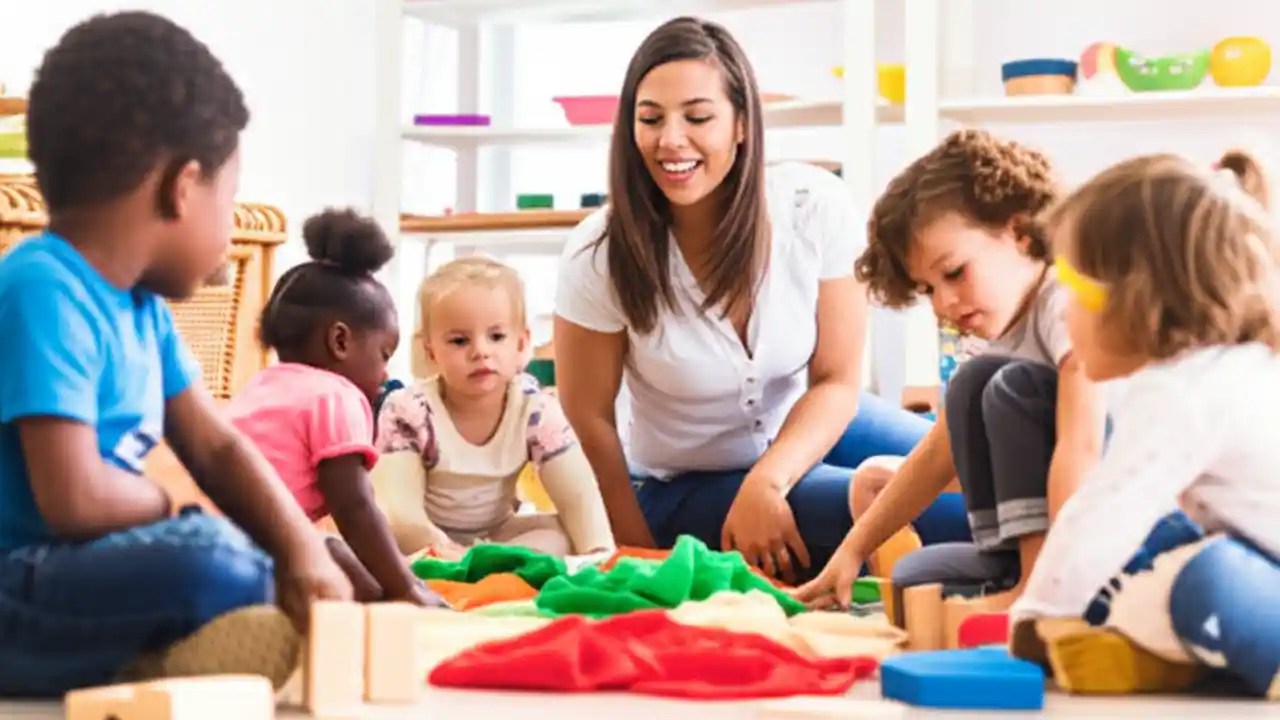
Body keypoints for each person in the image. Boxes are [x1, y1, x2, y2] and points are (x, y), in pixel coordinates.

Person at [0, 12, 351, 697]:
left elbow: (215, 446)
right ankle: (146, 663)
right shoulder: (42, 288)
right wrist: (173, 509)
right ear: (181, 187)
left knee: (259, 552)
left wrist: (300, 548)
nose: (229, 223)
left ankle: (150, 665)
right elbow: (73, 498)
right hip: (17, 580)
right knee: (214, 559)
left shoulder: (141, 309)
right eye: (229, 196)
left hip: (75, 574)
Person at [552, 15, 968, 583]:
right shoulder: (597, 252)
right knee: (909, 511)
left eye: (698, 117)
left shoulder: (812, 206)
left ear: (742, 124)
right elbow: (588, 417)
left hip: (817, 423)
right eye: (650, 119)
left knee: (987, 470)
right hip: (688, 483)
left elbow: (837, 380)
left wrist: (769, 479)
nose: (670, 139)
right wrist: (640, 556)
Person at [796, 129, 1107, 608]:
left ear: (1021, 232)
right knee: (915, 577)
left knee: (1004, 386)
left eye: (955, 273)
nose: (943, 303)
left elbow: (1083, 446)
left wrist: (1043, 586)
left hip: (1109, 527)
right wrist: (851, 551)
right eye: (927, 290)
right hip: (1039, 544)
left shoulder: (1066, 300)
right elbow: (941, 450)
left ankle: (1036, 584)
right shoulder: (1007, 330)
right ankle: (1010, 571)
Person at [1009, 151, 1280, 699]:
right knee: (1157, 547)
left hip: (1253, 572)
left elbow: (1103, 510)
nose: (1062, 312)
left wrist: (1034, 620)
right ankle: (1179, 655)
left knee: (1206, 579)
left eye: (1072, 290)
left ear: (1136, 297)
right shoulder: (1211, 371)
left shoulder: (1184, 390)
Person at [226, 209, 444, 607]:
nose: (385, 372)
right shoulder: (336, 395)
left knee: (333, 551)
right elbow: (355, 507)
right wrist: (407, 586)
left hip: (214, 545)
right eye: (383, 353)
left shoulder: (260, 386)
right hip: (256, 552)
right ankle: (392, 610)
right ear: (340, 341)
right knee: (340, 561)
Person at [373, 257, 614, 559]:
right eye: (460, 341)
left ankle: (486, 564)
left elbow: (578, 494)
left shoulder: (534, 409)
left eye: (497, 336)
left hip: (496, 535)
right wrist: (442, 547)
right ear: (431, 351)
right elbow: (399, 513)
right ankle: (480, 566)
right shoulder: (410, 411)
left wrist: (599, 552)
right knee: (380, 538)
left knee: (560, 534)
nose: (481, 352)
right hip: (422, 539)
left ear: (521, 344)